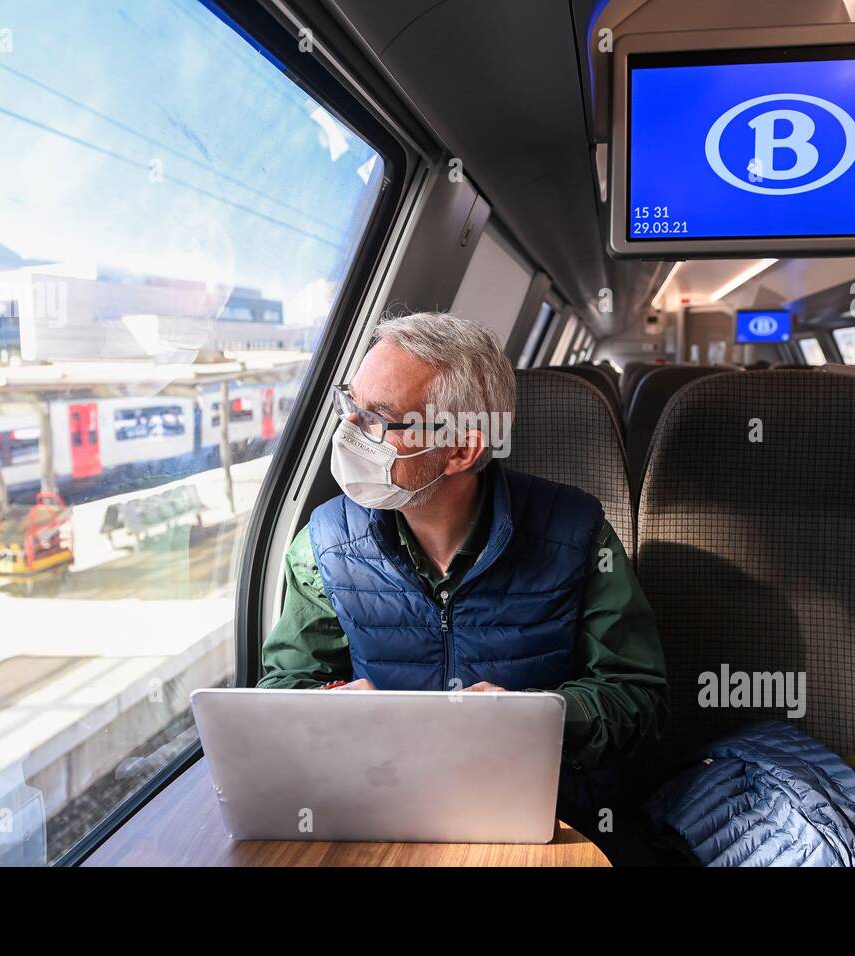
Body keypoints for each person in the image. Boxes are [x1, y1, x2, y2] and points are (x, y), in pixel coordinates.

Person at [259, 313, 670, 860]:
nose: (349, 430)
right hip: (377, 810)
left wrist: (530, 716)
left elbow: (638, 697)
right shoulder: (324, 542)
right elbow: (283, 687)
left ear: (461, 450)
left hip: (545, 815)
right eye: (349, 404)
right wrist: (326, 706)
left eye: (378, 418)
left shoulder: (576, 532)